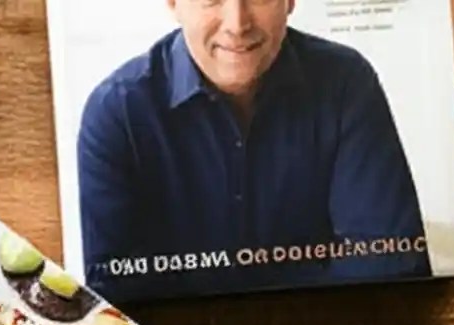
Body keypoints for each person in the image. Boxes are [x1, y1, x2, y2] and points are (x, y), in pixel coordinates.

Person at [75, 0, 431, 301]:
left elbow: (392, 267)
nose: (237, 23)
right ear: (173, 3)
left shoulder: (347, 83)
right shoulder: (115, 113)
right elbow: (115, 299)